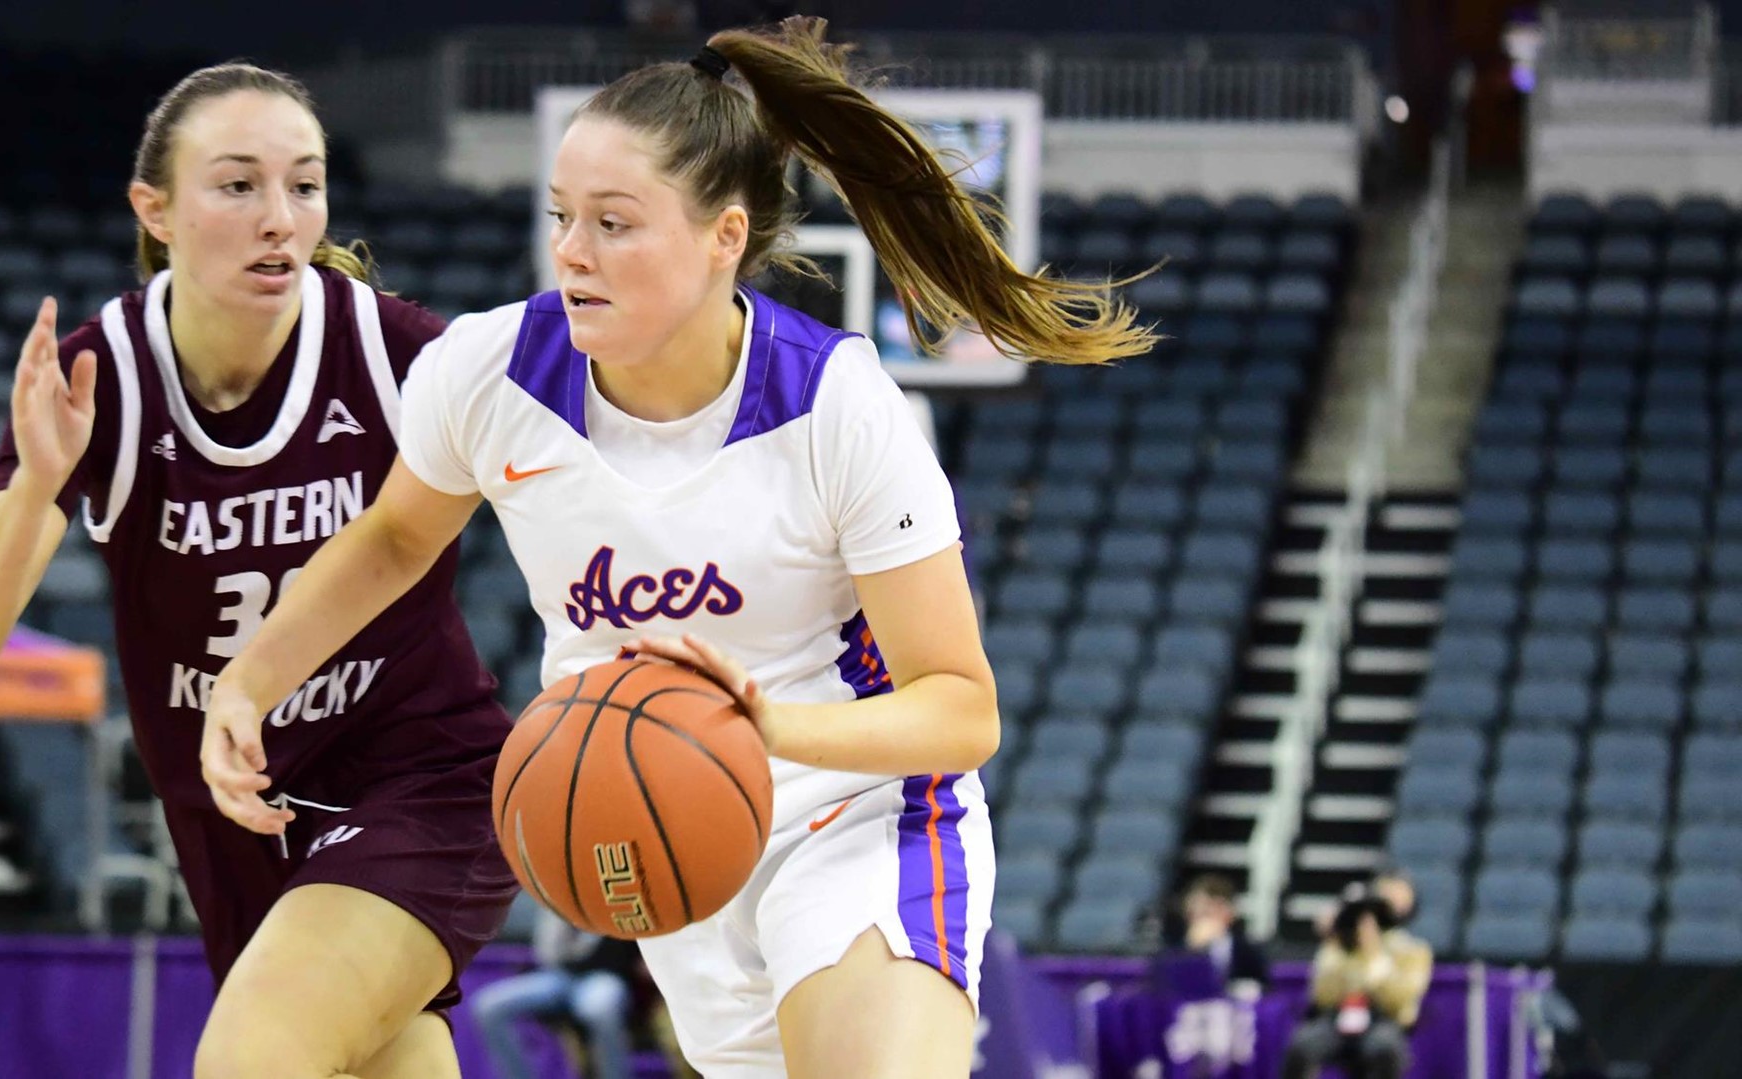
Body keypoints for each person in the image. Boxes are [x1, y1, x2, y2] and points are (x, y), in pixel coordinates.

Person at [204, 17, 1153, 1078]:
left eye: (614, 222)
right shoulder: (491, 372)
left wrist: (765, 728)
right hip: (668, 834)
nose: (572, 250)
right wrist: (252, 678)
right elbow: (393, 537)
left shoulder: (836, 404)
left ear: (724, 237)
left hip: (858, 811)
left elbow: (963, 708)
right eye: (562, 215)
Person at [0, 63, 517, 1079]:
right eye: (239, 185)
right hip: (235, 817)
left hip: (417, 778)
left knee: (252, 1056)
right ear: (154, 210)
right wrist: (34, 490)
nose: (280, 218)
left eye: (305, 184)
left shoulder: (396, 352)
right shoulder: (102, 373)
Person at [1284, 870, 1434, 1079]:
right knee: (1301, 1046)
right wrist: (1336, 940)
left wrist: (1373, 954)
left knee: (1384, 1049)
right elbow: (1321, 995)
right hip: (1336, 1019)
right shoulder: (1340, 945)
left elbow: (1399, 1000)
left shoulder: (1412, 950)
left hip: (1385, 1022)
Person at [471, 910, 642, 1079]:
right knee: (488, 1006)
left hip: (605, 975)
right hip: (558, 975)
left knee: (600, 1010)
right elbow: (546, 955)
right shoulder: (559, 897)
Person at [1156, 873, 1271, 995]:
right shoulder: (1172, 950)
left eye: (1211, 910)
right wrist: (1193, 950)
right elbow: (1167, 987)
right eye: (1200, 911)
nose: (1206, 919)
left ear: (1230, 913)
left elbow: (1263, 988)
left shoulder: (1247, 951)